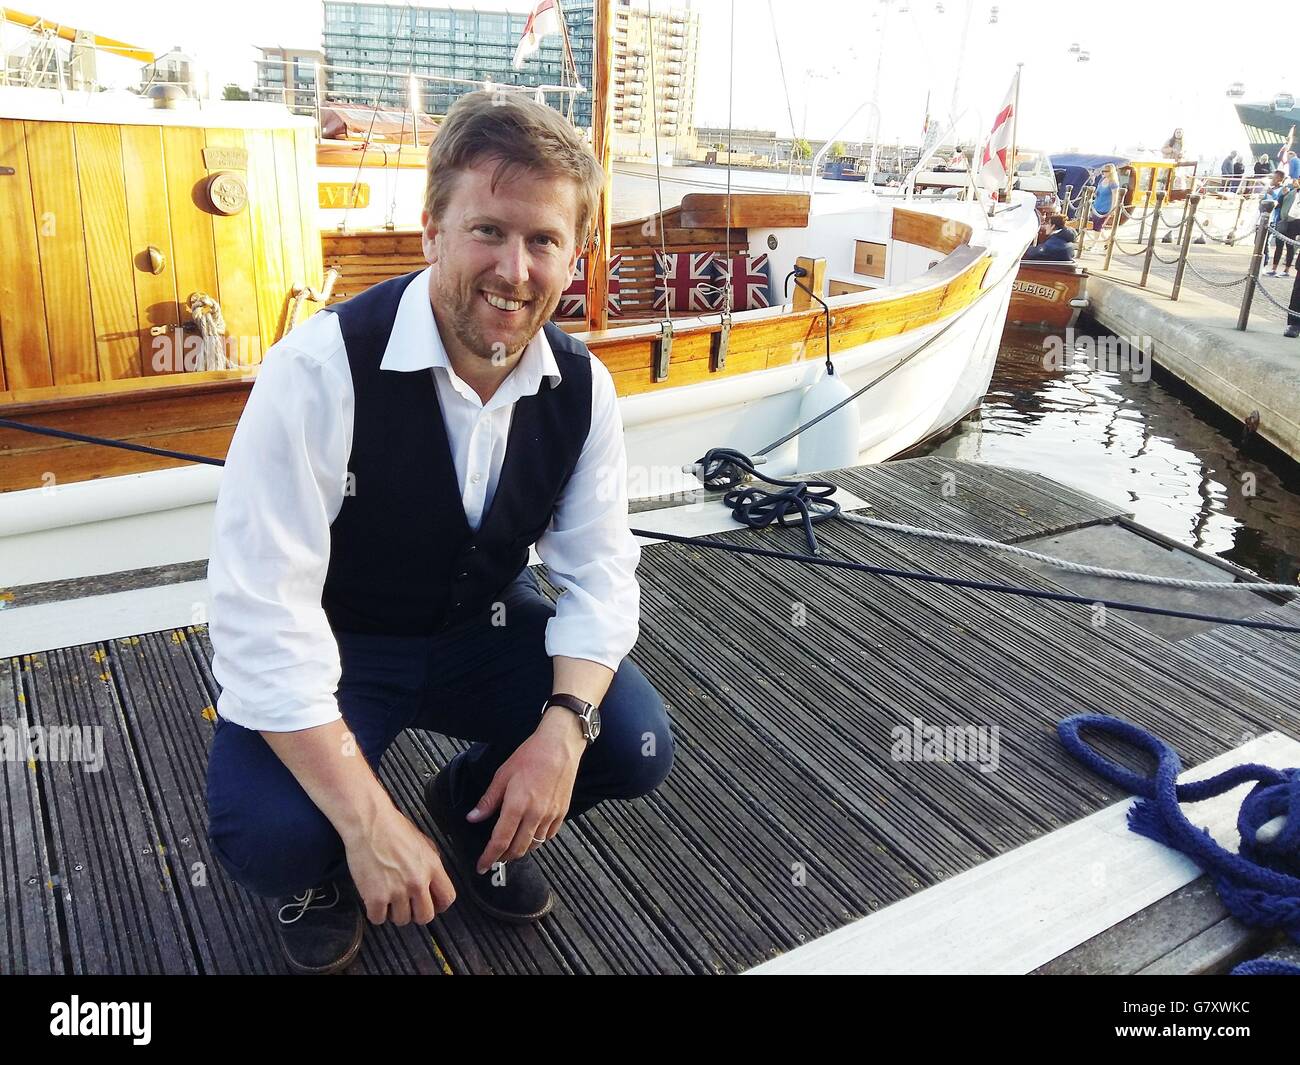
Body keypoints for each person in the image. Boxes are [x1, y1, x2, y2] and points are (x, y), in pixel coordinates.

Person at [204, 91, 675, 974]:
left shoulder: (583, 391)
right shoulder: (316, 369)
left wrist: (562, 732)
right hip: (341, 644)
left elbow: (602, 575)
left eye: (544, 241)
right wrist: (367, 823)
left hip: (479, 632)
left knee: (633, 740)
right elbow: (261, 617)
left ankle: (471, 803)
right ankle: (324, 874)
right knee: (270, 832)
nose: (516, 268)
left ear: (573, 257)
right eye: (488, 230)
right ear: (431, 229)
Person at [1268, 173, 1300, 278]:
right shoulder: (1291, 191)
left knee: (1290, 246)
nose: (1295, 182)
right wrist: (1283, 195)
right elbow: (1279, 204)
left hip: (1295, 222)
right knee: (1279, 244)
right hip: (1283, 220)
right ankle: (1274, 268)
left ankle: (1286, 270)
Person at [1089, 163, 1122, 232]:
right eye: (1103, 171)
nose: (1104, 172)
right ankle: (1106, 240)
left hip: (1106, 208)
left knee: (1098, 227)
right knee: (1096, 226)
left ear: (1111, 172)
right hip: (1096, 206)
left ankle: (1095, 242)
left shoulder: (1113, 183)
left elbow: (1115, 197)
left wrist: (1113, 209)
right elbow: (1097, 192)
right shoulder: (1101, 180)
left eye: (1106, 171)